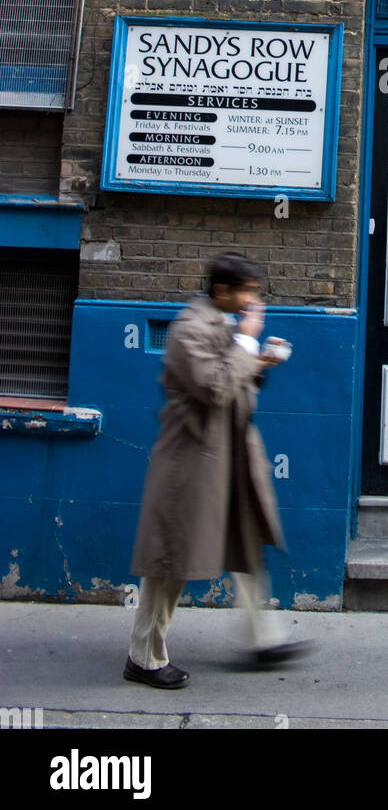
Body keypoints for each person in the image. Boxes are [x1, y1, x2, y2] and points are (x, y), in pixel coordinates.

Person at [123, 253, 295, 688]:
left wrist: (260, 363)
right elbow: (215, 388)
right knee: (171, 560)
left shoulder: (217, 322)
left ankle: (263, 638)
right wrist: (248, 343)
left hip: (226, 458)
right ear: (222, 291)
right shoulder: (189, 328)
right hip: (192, 463)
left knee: (242, 540)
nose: (253, 301)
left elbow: (231, 378)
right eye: (247, 292)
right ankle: (143, 657)